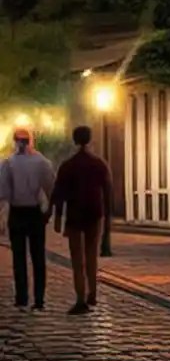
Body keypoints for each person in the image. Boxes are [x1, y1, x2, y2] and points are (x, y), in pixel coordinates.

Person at [51, 125, 112, 315]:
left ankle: (80, 298)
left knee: (77, 259)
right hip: (95, 213)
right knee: (91, 255)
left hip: (75, 216)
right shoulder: (99, 163)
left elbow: (59, 193)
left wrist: (58, 217)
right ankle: (92, 293)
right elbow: (108, 191)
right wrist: (108, 216)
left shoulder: (68, 165)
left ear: (74, 139)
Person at [0, 128, 56, 310]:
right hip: (34, 212)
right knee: (38, 257)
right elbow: (50, 188)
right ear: (31, 141)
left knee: (19, 257)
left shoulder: (8, 163)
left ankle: (22, 297)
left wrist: (2, 217)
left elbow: (4, 193)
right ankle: (39, 299)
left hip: (18, 213)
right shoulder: (41, 162)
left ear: (14, 141)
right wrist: (48, 212)